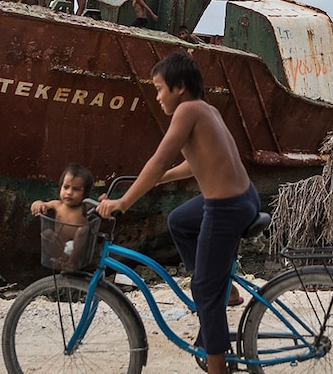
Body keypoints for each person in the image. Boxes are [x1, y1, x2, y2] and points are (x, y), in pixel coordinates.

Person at [96, 52, 258, 374]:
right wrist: (162, 180)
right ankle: (225, 288)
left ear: (180, 86)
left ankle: (217, 367)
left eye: (159, 89)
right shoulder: (206, 109)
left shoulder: (186, 111)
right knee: (179, 221)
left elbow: (158, 160)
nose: (157, 97)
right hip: (244, 196)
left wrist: (123, 203)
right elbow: (194, 161)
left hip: (225, 208)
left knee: (203, 292)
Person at [31, 164, 95, 271]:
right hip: (60, 247)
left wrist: (103, 200)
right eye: (66, 187)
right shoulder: (57, 204)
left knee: (83, 230)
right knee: (47, 234)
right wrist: (38, 204)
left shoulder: (85, 206)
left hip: (78, 249)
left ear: (85, 194)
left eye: (76, 189)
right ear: (60, 187)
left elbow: (101, 205)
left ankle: (72, 262)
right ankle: (63, 259)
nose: (69, 192)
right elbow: (43, 204)